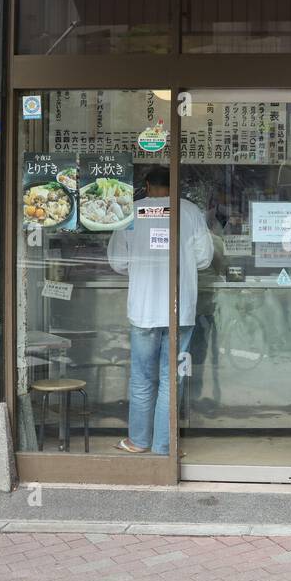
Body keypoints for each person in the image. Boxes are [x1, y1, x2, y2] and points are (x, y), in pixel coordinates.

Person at [107, 165, 214, 455]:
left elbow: (117, 262)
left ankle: (139, 441)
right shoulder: (190, 212)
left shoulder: (130, 213)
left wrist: (140, 265)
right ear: (175, 184)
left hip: (143, 310)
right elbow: (204, 259)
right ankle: (163, 445)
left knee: (142, 377)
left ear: (146, 185)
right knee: (172, 379)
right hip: (180, 311)